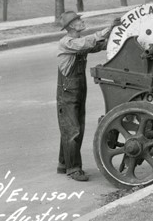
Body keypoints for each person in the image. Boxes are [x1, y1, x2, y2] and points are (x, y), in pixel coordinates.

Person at [55, 11, 119, 182]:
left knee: (72, 127)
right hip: (68, 91)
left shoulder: (77, 42)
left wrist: (117, 36)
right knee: (73, 129)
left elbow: (97, 45)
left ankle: (63, 164)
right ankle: (73, 169)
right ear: (71, 25)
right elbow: (87, 42)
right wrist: (108, 29)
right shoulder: (67, 42)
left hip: (77, 89)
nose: (82, 22)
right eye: (78, 20)